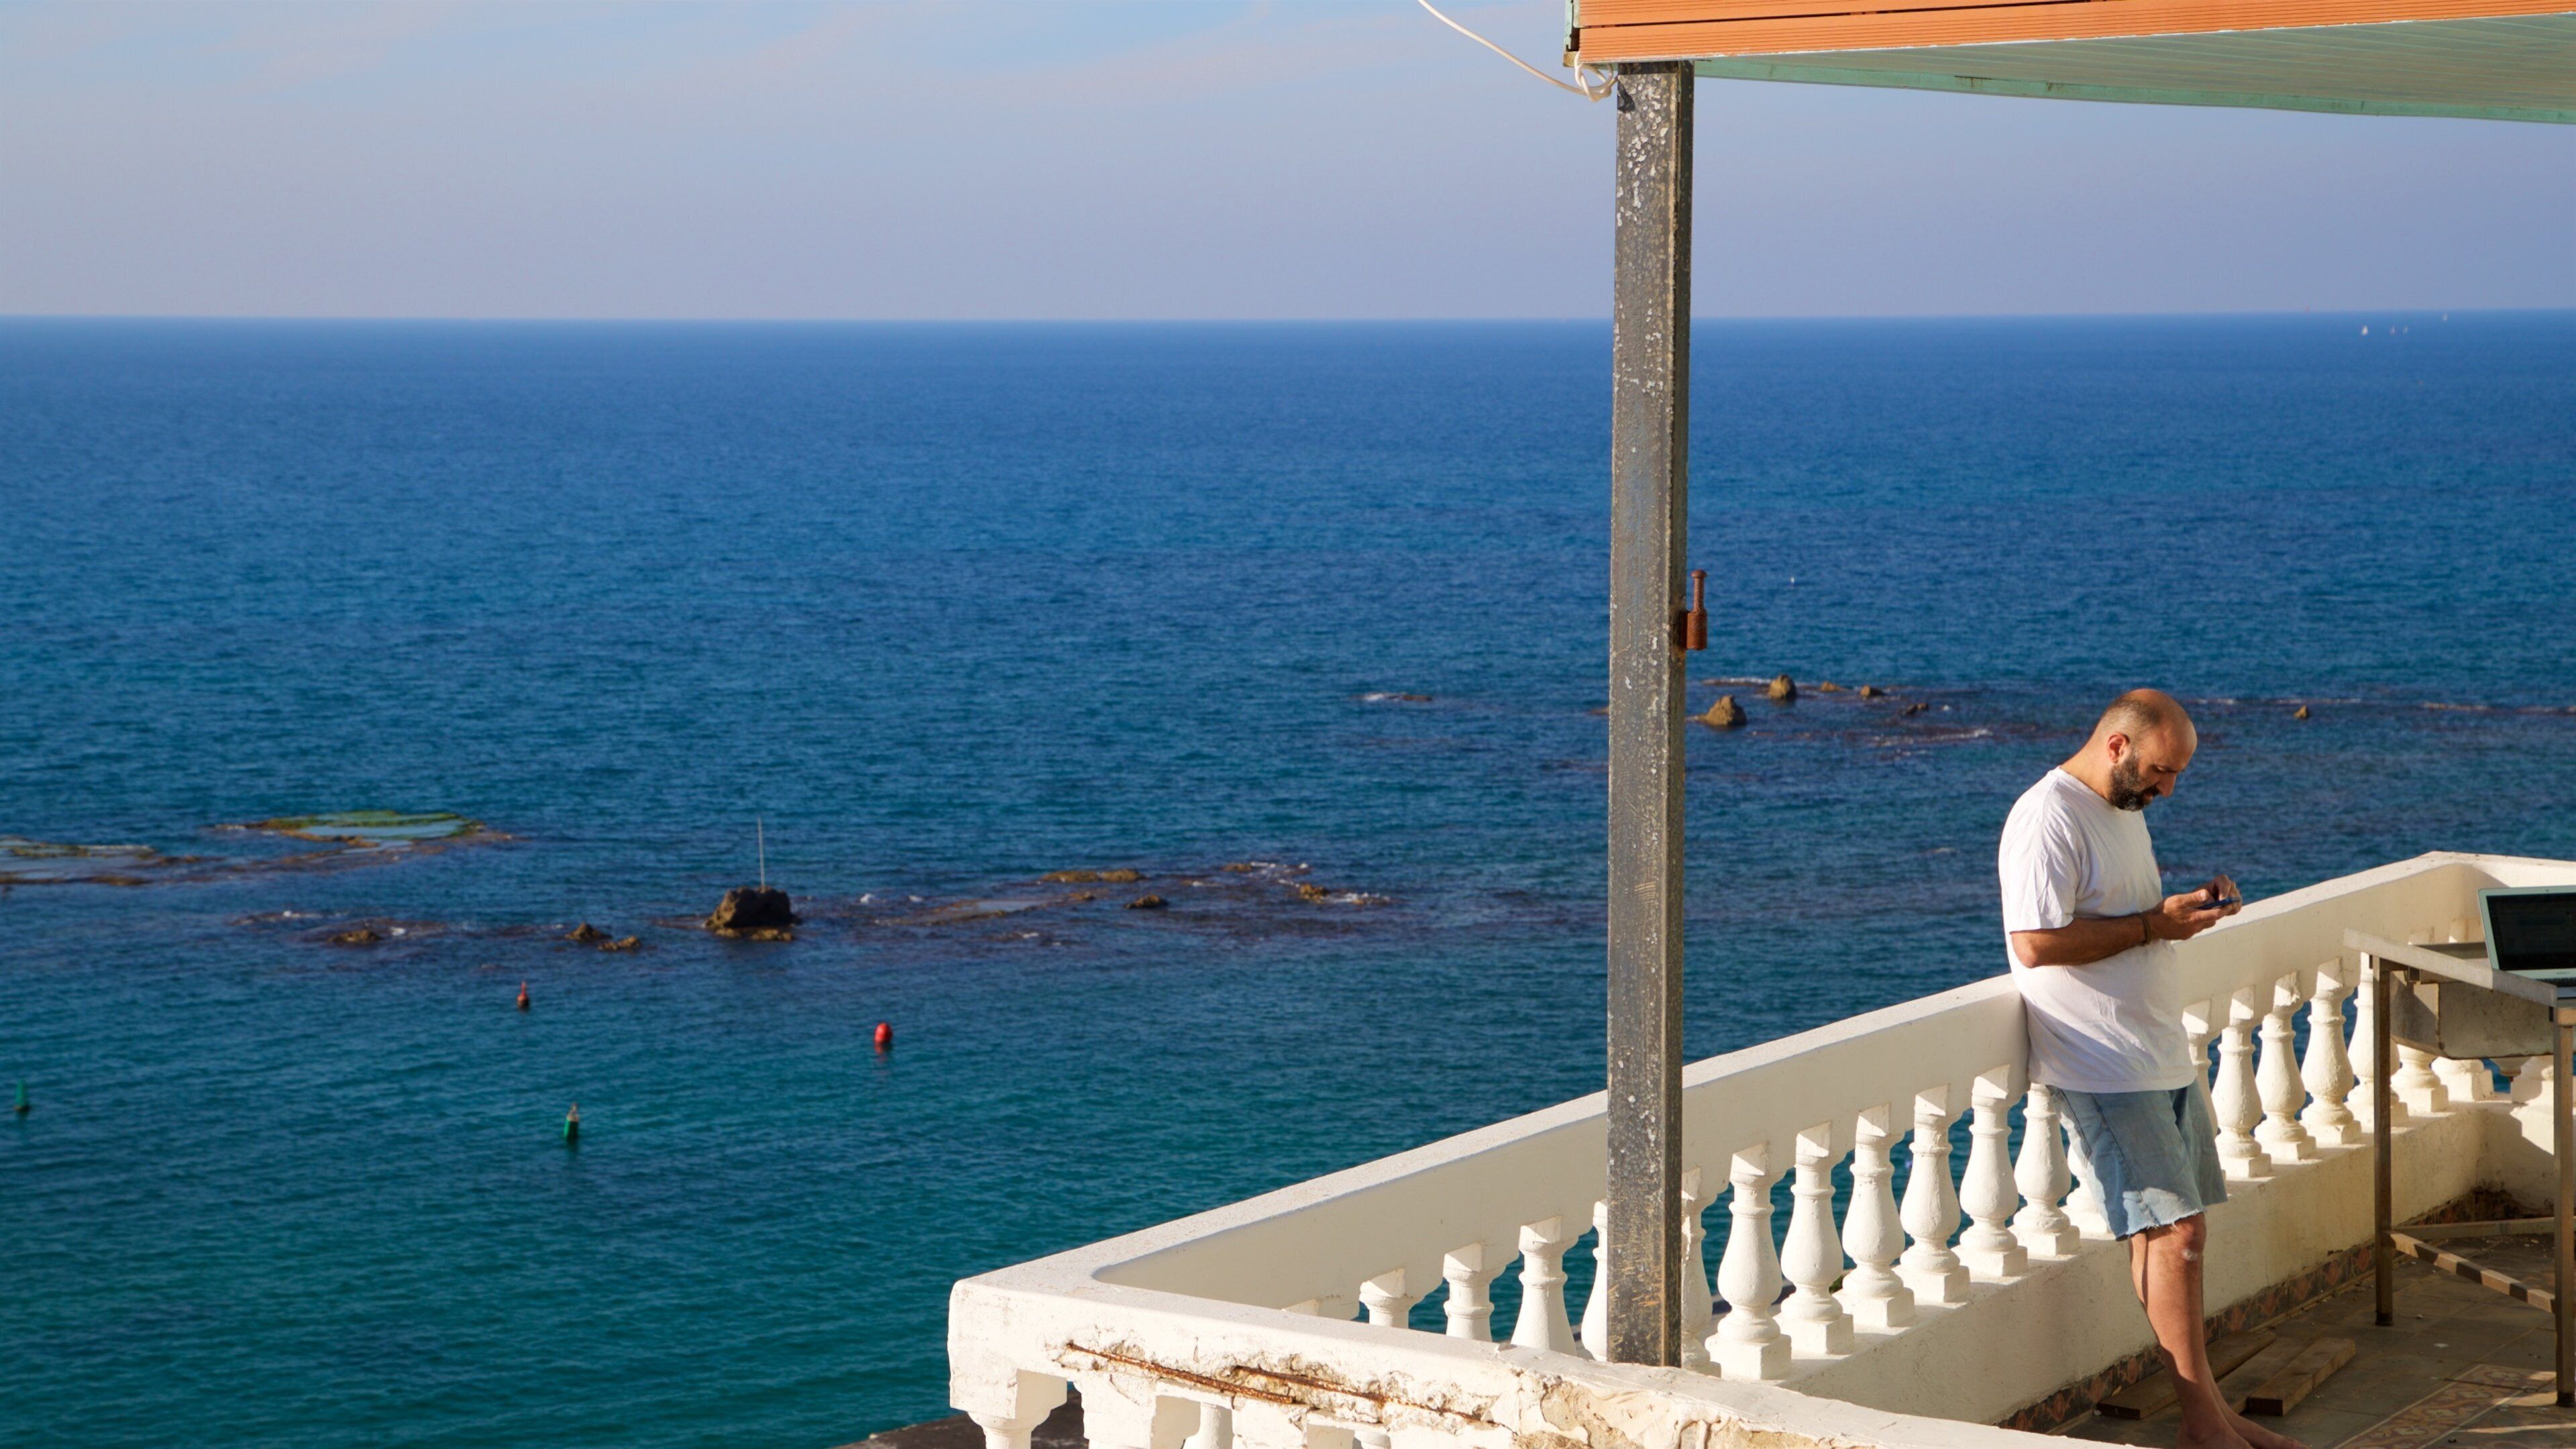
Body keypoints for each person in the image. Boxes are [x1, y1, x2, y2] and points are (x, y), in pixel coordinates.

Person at [1998, 690, 2301, 1449]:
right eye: (2162, 773)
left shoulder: (2120, 812)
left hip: (2155, 1047)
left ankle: (2213, 1415)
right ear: (2117, 746)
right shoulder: (2049, 816)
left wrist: (2180, 915)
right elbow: (2034, 942)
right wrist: (2149, 926)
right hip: (2100, 1060)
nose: (2168, 790)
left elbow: (2128, 920)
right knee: (2179, 1234)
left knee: (2170, 1237)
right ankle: (2205, 1427)